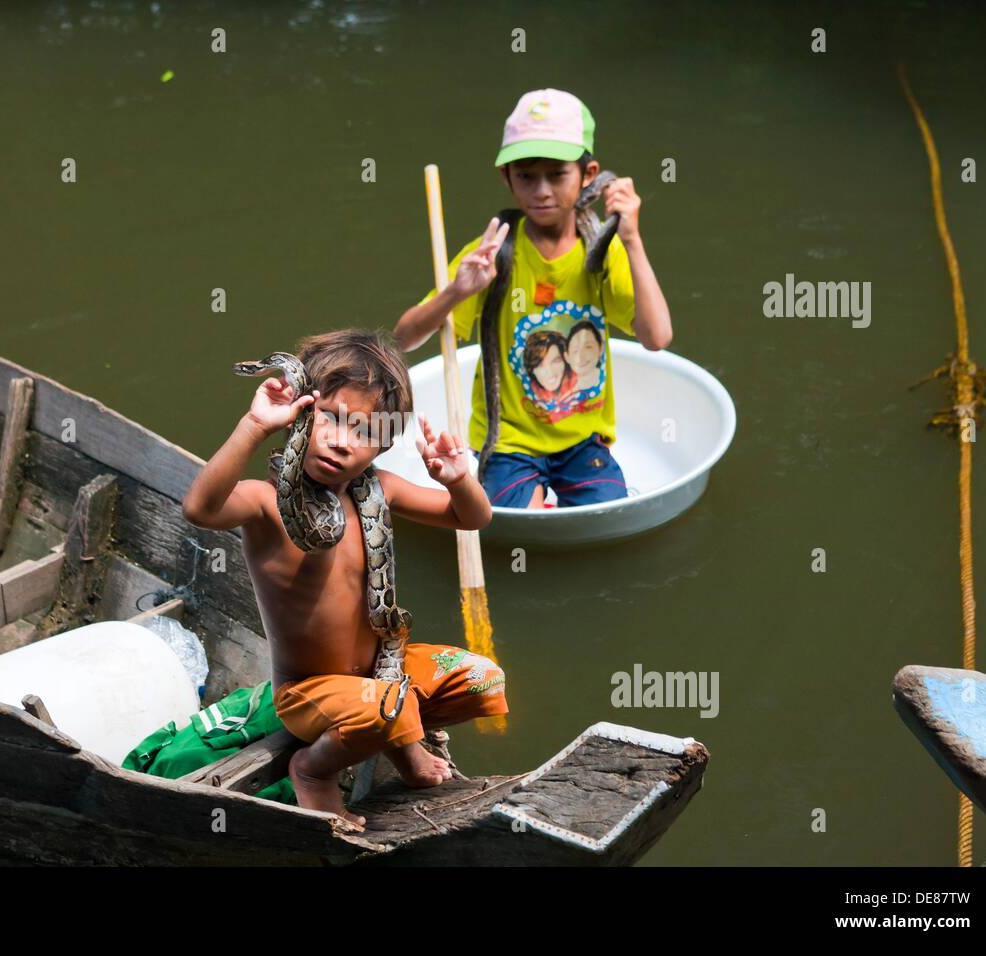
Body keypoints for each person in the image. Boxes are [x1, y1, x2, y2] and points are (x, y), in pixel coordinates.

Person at [181, 329, 508, 828]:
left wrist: (458, 477)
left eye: (363, 431)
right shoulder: (267, 504)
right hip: (306, 691)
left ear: (381, 447)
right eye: (330, 418)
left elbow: (471, 518)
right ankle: (313, 770)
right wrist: (254, 425)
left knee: (485, 679)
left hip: (384, 675)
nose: (340, 440)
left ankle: (399, 741)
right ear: (302, 412)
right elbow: (199, 509)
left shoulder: (379, 491)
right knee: (388, 706)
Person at [394, 88, 673, 509]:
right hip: (508, 442)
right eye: (526, 176)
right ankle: (532, 496)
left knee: (601, 513)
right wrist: (457, 291)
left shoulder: (602, 248)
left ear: (587, 173)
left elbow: (657, 337)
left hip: (583, 442)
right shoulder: (491, 252)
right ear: (506, 178)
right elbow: (403, 339)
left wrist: (631, 238)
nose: (541, 190)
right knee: (519, 520)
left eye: (557, 174)